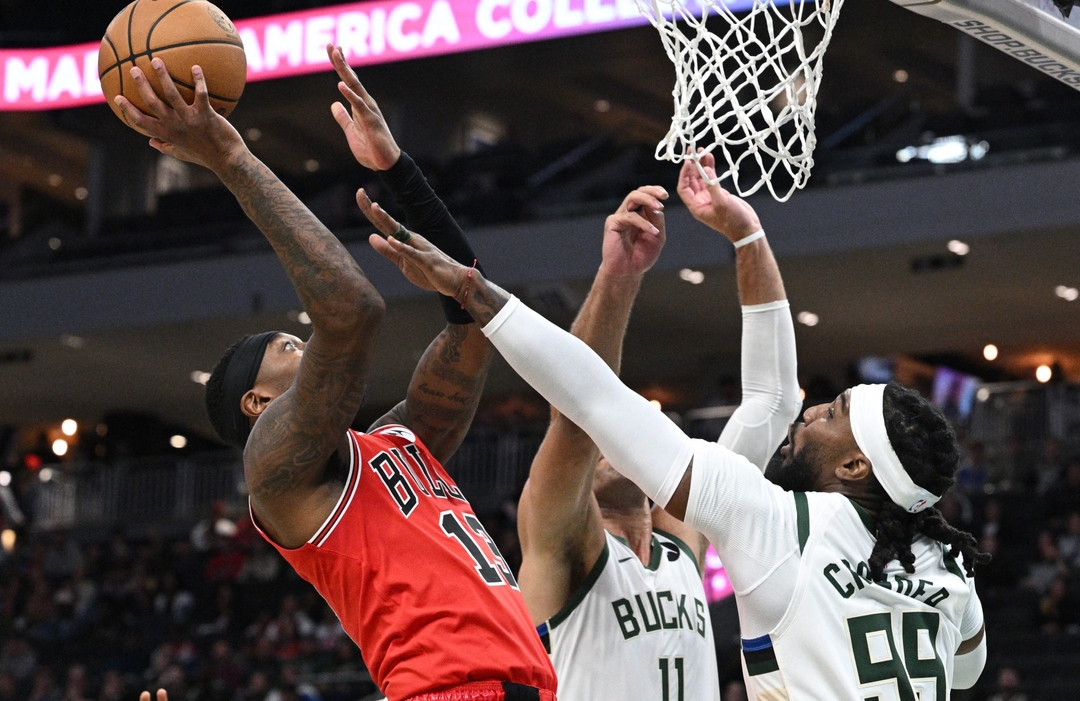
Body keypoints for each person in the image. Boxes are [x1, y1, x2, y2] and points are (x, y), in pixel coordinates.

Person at [362, 155, 990, 699]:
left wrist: (474, 293)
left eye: (832, 414)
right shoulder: (944, 565)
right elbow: (967, 669)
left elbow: (598, 399)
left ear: (856, 467)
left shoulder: (774, 521)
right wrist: (745, 236)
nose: (811, 413)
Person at [116, 47, 555, 701]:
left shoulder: (400, 439)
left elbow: (471, 310)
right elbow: (353, 310)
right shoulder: (275, 469)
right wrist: (232, 159)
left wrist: (398, 169)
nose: (308, 344)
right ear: (257, 401)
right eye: (290, 344)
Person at [516, 163, 799, 700]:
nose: (607, 437)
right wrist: (618, 279)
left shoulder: (684, 543)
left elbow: (772, 403)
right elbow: (579, 410)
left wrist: (748, 235)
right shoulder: (563, 538)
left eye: (622, 426)